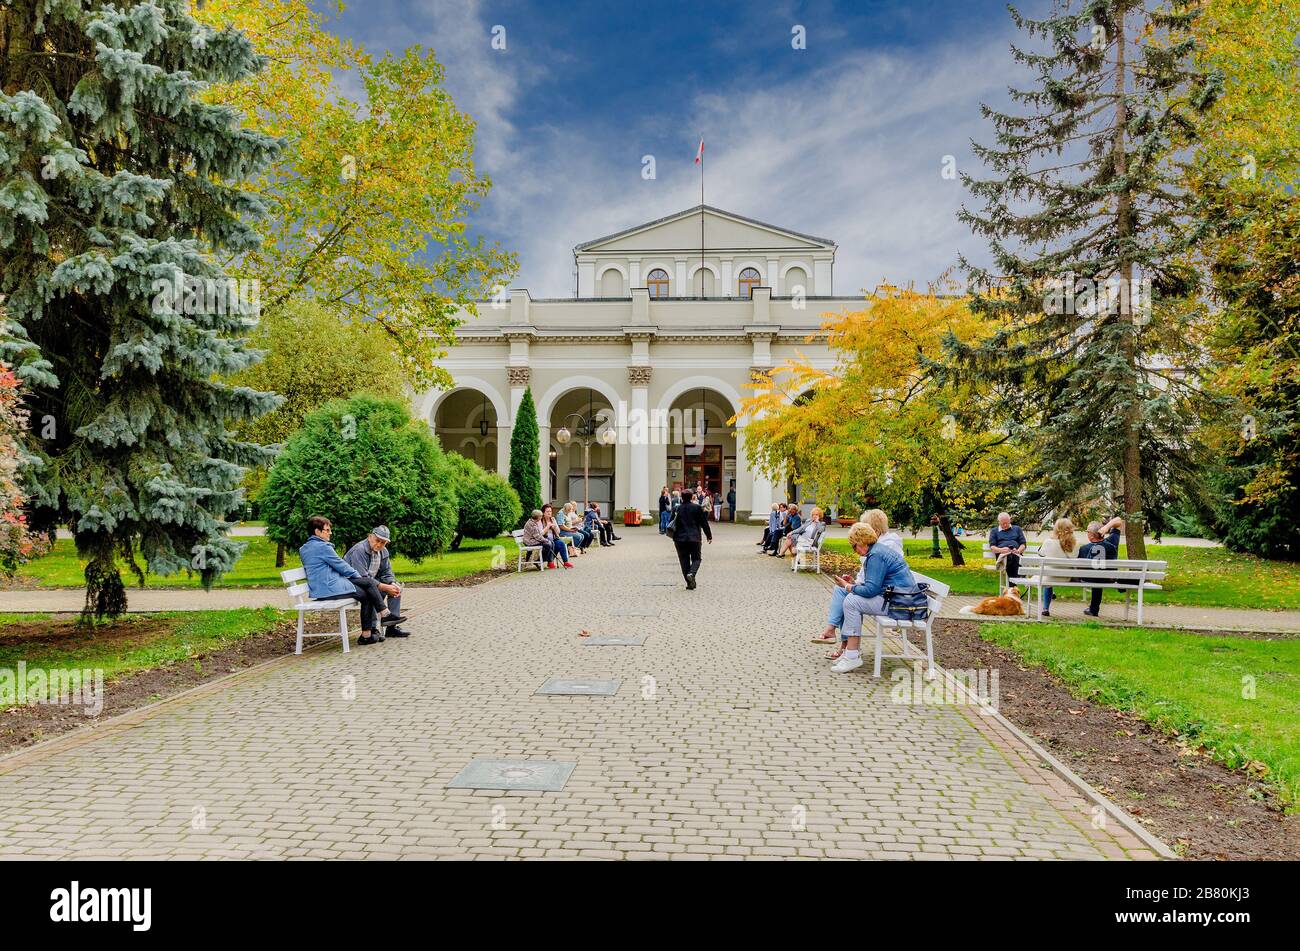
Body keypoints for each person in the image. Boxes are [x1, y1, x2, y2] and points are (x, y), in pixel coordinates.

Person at [299, 516, 403, 645]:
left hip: (323, 587)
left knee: (367, 592)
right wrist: (359, 578)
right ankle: (384, 615)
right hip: (328, 588)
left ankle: (367, 635)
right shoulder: (323, 547)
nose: (330, 532)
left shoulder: (305, 548)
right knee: (369, 585)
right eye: (327, 530)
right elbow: (341, 566)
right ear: (317, 532)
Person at [834, 522, 918, 673]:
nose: (854, 550)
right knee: (852, 598)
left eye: (854, 546)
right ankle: (851, 653)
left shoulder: (876, 555)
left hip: (900, 604)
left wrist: (848, 587)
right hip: (900, 599)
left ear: (862, 542)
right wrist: (853, 585)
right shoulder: (878, 551)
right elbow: (874, 585)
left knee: (852, 601)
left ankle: (852, 656)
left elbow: (871, 590)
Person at [343, 524, 410, 638]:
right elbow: (362, 578)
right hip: (353, 584)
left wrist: (392, 584)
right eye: (377, 540)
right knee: (373, 591)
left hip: (371, 582)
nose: (379, 544)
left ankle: (391, 627)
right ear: (370, 537)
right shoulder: (359, 550)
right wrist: (385, 587)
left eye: (383, 542)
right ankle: (373, 628)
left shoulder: (384, 552)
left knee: (395, 589)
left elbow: (386, 572)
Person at [1078, 516, 1124, 616]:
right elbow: (1118, 521)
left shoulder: (1083, 549)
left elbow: (1079, 568)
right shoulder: (1112, 542)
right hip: (1109, 578)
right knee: (1099, 575)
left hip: (1089, 579)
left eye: (1088, 532)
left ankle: (1093, 609)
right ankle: (1093, 609)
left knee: (1096, 576)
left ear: (1091, 535)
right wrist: (1107, 527)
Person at [672, 488, 712, 589]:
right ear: (691, 497)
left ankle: (689, 583)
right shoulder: (697, 508)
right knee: (696, 559)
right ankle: (692, 574)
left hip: (680, 539)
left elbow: (671, 522)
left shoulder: (677, 508)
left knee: (684, 561)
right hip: (694, 538)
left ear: (682, 497)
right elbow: (704, 522)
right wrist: (709, 535)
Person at [1037, 516, 1077, 616]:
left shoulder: (1049, 542)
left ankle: (1045, 608)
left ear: (1056, 529)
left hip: (1050, 576)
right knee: (1049, 574)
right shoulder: (1074, 544)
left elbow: (1040, 553)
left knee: (1047, 575)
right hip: (1066, 577)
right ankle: (1047, 603)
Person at [988, 511, 1028, 587]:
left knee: (1013, 555)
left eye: (1007, 522)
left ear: (1010, 520)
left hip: (1016, 553)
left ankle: (1012, 586)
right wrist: (1002, 550)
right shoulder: (994, 531)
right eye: (1003, 523)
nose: (1005, 525)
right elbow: (992, 547)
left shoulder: (1017, 529)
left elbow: (1023, 544)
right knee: (1009, 556)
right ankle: (1020, 577)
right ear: (999, 522)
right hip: (1003, 556)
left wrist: (1018, 550)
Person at [541, 503, 574, 567]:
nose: (549, 513)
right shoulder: (541, 520)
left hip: (554, 538)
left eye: (550, 511)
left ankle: (565, 562)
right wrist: (547, 527)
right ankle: (550, 562)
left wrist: (554, 527)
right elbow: (541, 533)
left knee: (561, 543)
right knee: (551, 543)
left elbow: (558, 531)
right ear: (543, 512)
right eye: (547, 511)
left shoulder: (552, 519)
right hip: (545, 539)